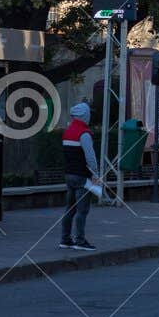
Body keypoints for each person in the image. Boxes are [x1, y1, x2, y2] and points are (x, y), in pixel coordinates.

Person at [59, 102, 100, 251]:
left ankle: (65, 239)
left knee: (70, 209)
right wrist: (95, 174)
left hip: (69, 174)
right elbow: (90, 157)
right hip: (82, 176)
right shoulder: (84, 133)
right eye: (89, 113)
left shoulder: (67, 131)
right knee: (82, 211)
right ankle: (80, 241)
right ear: (85, 115)